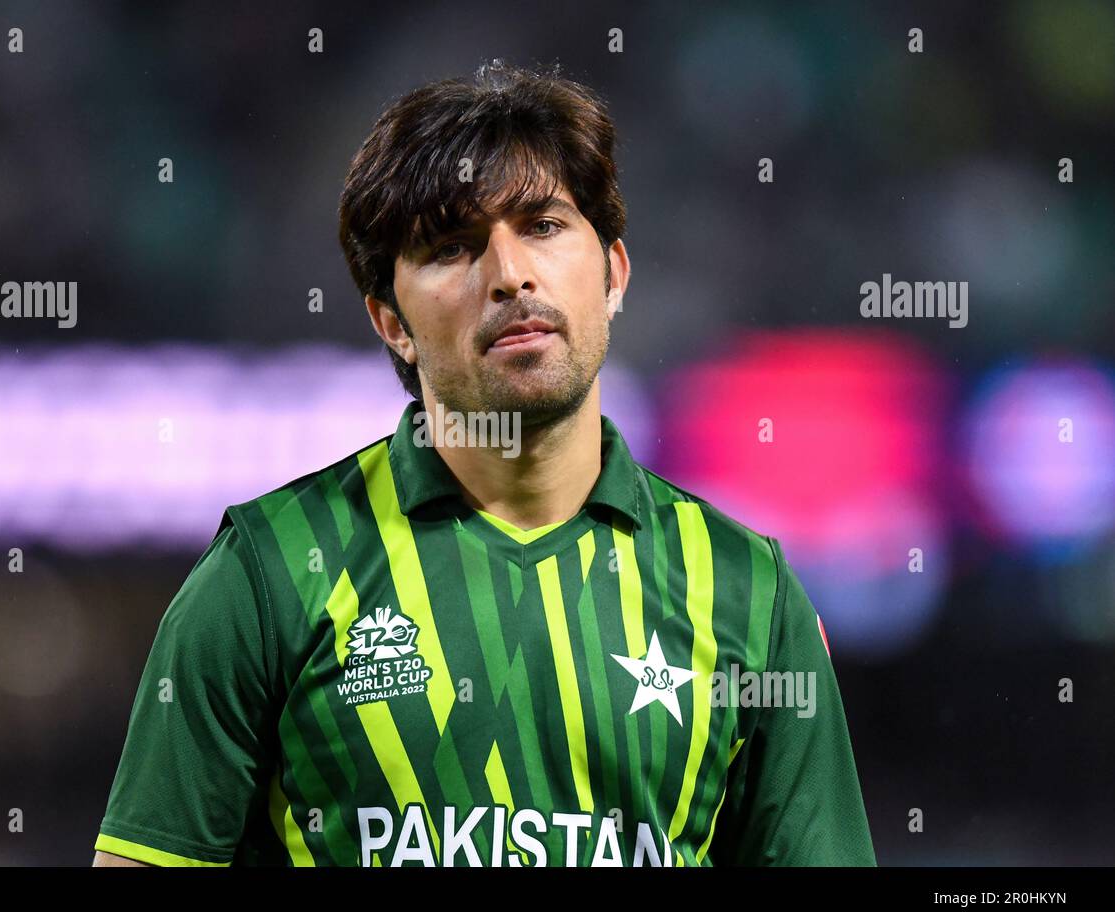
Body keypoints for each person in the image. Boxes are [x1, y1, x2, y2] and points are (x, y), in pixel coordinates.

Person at [93, 60, 874, 867]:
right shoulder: (265, 574)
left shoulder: (749, 592)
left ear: (613, 273)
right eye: (453, 247)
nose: (509, 276)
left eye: (541, 226)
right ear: (390, 320)